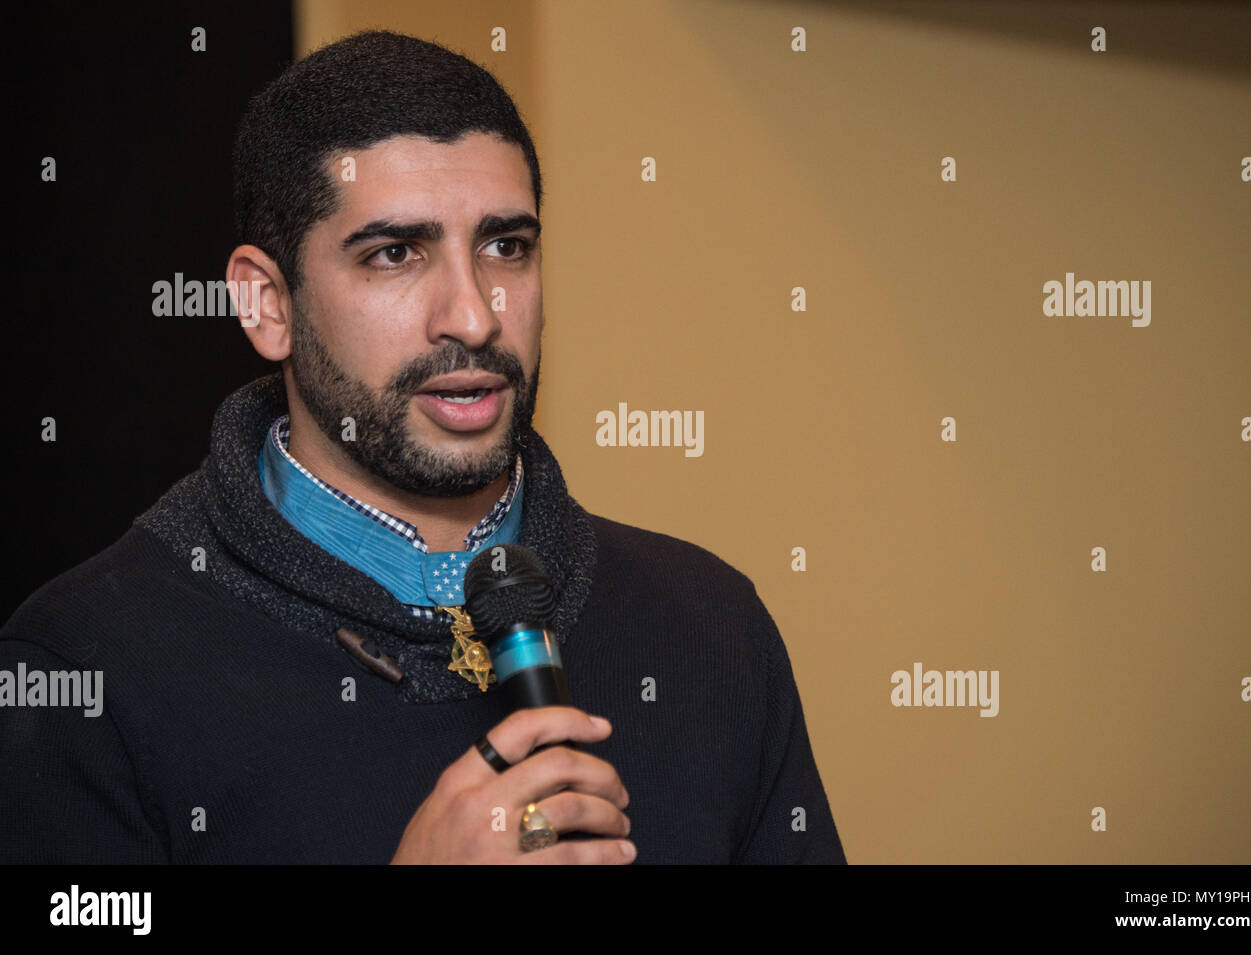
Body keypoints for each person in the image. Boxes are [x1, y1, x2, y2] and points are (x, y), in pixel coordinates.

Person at [0, 30, 844, 865]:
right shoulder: (83, 671)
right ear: (268, 304)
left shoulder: (709, 628)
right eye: (395, 254)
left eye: (505, 247)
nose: (474, 316)